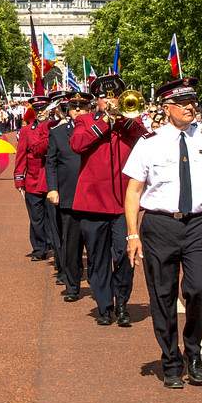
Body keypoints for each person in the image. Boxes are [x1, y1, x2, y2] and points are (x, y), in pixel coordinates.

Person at [122, 78, 202, 389]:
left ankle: (193, 351)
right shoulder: (149, 143)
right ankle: (171, 359)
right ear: (167, 108)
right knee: (163, 294)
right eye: (182, 103)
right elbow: (134, 190)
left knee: (199, 289)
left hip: (198, 224)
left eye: (193, 102)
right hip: (159, 225)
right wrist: (132, 234)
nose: (190, 107)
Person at [69, 75, 146, 328]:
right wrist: (104, 122)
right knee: (97, 257)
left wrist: (124, 120)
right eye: (104, 97)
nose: (109, 101)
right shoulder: (85, 121)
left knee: (125, 255)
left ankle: (122, 302)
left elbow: (145, 140)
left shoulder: (130, 122)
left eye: (114, 96)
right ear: (97, 100)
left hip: (123, 203)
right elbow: (77, 144)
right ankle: (104, 305)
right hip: (93, 202)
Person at [45, 92, 87, 301]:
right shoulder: (58, 133)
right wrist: (52, 188)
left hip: (93, 198)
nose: (78, 110)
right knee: (71, 245)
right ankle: (72, 285)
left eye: (83, 107)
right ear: (68, 110)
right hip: (69, 196)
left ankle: (98, 283)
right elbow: (51, 162)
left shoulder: (98, 131)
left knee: (96, 246)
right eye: (74, 107)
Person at [13, 98, 53, 261]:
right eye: (38, 110)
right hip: (34, 178)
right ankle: (39, 248)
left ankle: (51, 243)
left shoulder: (56, 127)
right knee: (36, 216)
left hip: (51, 178)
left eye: (43, 109)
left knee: (52, 216)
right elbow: (21, 155)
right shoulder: (27, 131)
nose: (41, 112)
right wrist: (19, 179)